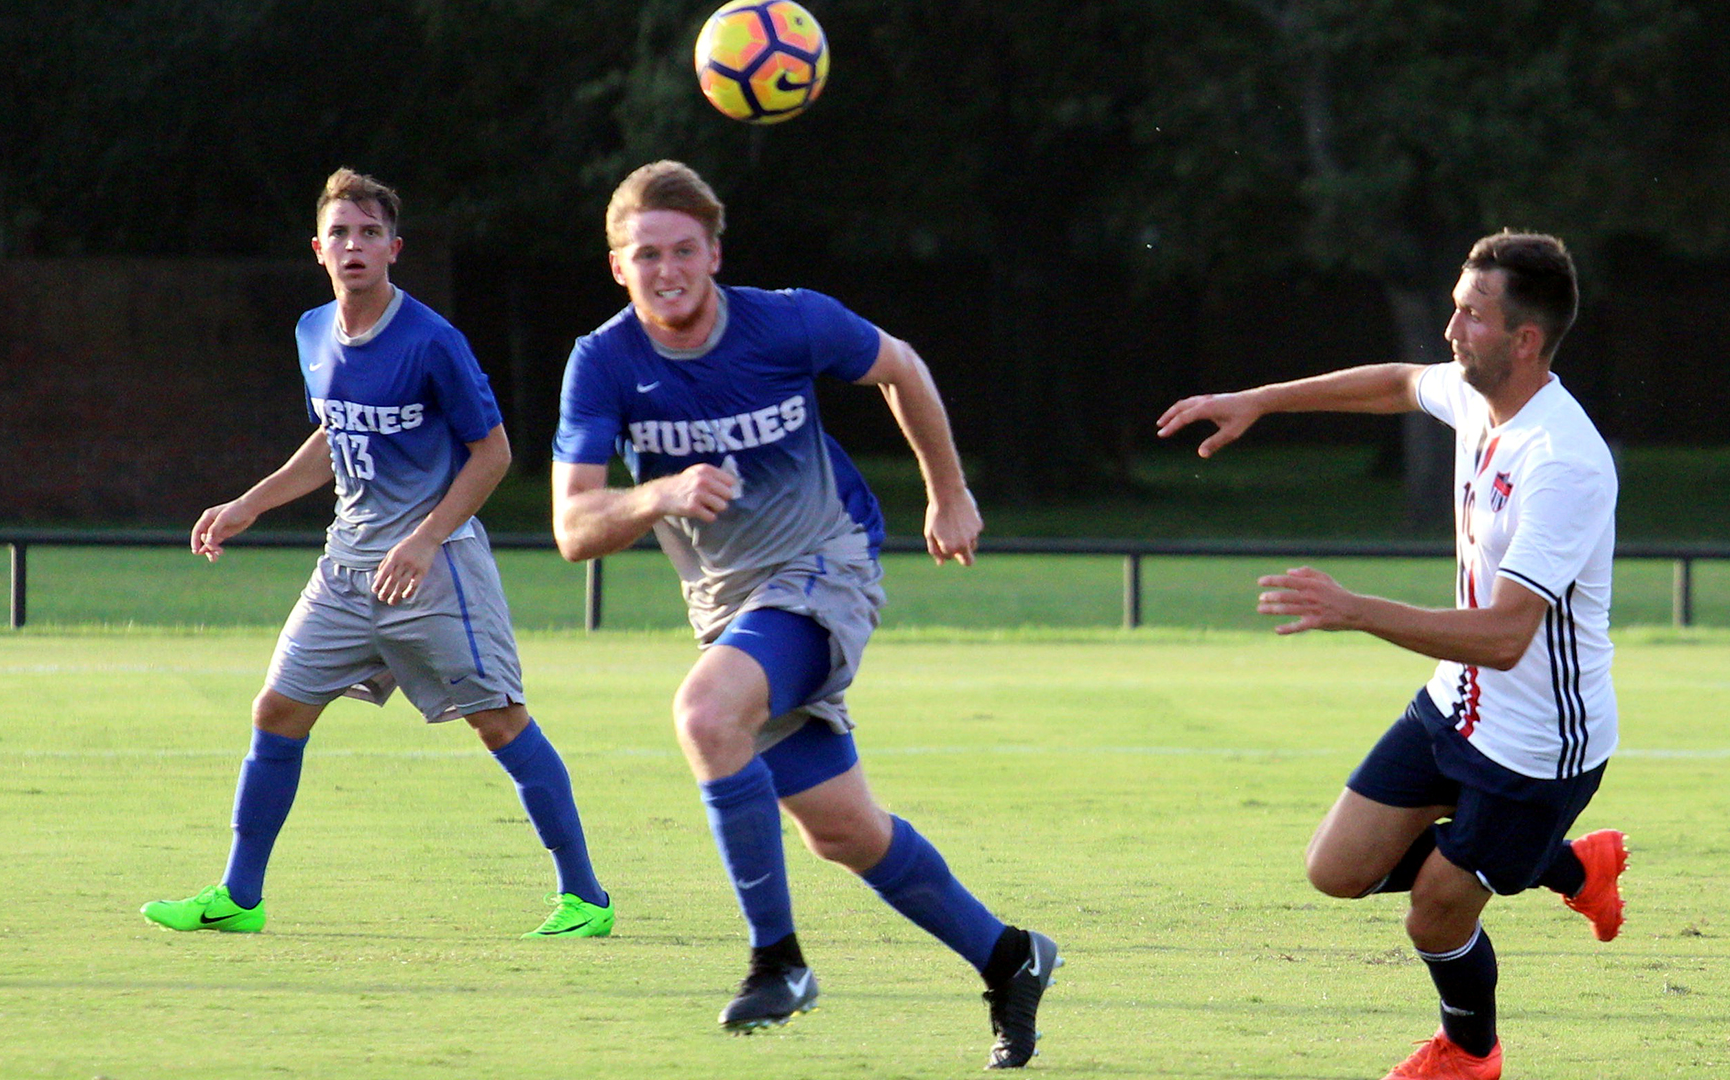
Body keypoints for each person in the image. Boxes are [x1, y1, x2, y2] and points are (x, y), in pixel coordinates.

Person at [549, 160, 1057, 1069]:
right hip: (729, 606)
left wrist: (949, 494)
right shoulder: (603, 362)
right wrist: (661, 492)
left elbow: (902, 368)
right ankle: (1009, 956)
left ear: (715, 252)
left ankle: (776, 961)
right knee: (844, 831)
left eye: (684, 251)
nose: (668, 271)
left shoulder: (789, 320)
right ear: (617, 265)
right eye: (646, 255)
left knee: (706, 714)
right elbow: (574, 527)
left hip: (827, 567)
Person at [1157, 230, 1627, 1080]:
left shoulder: (1565, 462)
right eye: (1453, 306)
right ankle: (1566, 863)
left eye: (1470, 315)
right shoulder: (1480, 396)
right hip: (1459, 702)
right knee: (1336, 870)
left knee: (1434, 913)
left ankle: (1471, 1054)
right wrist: (1258, 399)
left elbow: (1508, 635)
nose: (1451, 330)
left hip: (1536, 749)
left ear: (1525, 340)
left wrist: (1356, 610)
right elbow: (1397, 384)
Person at [142, 168, 613, 940]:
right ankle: (239, 896)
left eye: (368, 233)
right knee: (277, 711)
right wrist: (247, 504)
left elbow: (492, 454)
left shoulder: (433, 341)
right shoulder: (312, 333)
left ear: (394, 248)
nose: (353, 245)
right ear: (318, 249)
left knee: (499, 722)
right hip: (346, 567)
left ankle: (585, 898)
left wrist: (425, 540)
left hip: (438, 571)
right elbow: (335, 438)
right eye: (340, 233)